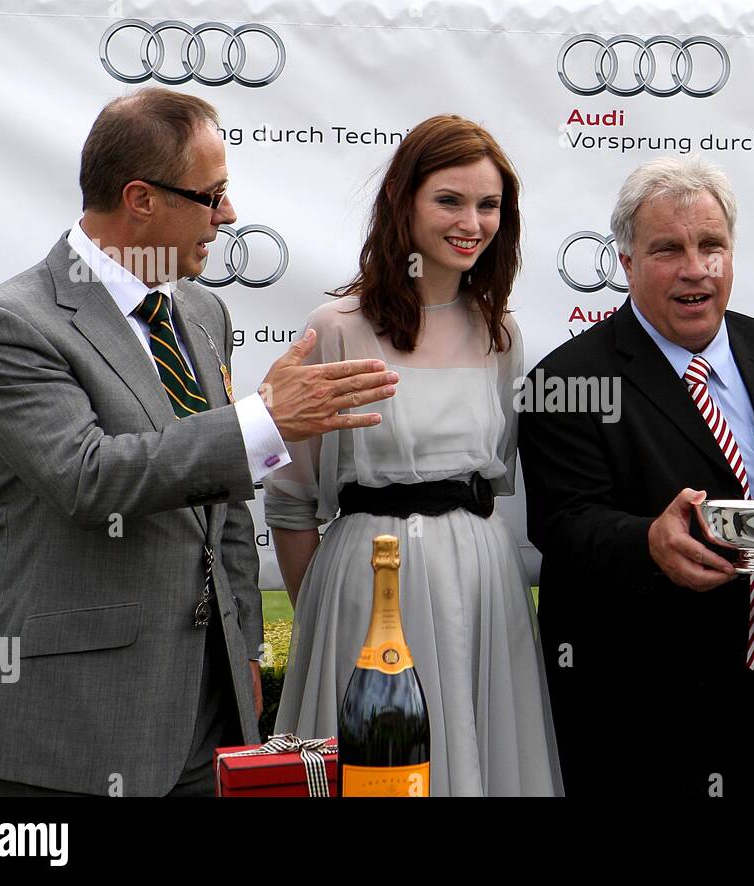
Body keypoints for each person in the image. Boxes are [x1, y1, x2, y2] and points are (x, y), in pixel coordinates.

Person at [0, 87, 397, 797]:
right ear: (141, 199)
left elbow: (222, 498)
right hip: (80, 723)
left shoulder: (201, 311)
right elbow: (87, 478)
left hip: (211, 713)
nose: (229, 215)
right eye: (211, 194)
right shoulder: (9, 323)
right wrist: (262, 423)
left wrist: (245, 643)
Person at [518, 156, 754, 797]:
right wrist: (648, 542)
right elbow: (562, 524)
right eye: (667, 248)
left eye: (711, 245)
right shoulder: (567, 382)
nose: (695, 268)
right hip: (639, 716)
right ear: (627, 262)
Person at [264, 115, 561, 796]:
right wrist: (326, 619)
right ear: (403, 201)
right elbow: (289, 501)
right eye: (450, 200)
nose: (473, 222)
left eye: (489, 205)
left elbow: (502, 471)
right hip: (366, 584)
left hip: (486, 583)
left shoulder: (501, 331)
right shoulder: (335, 328)